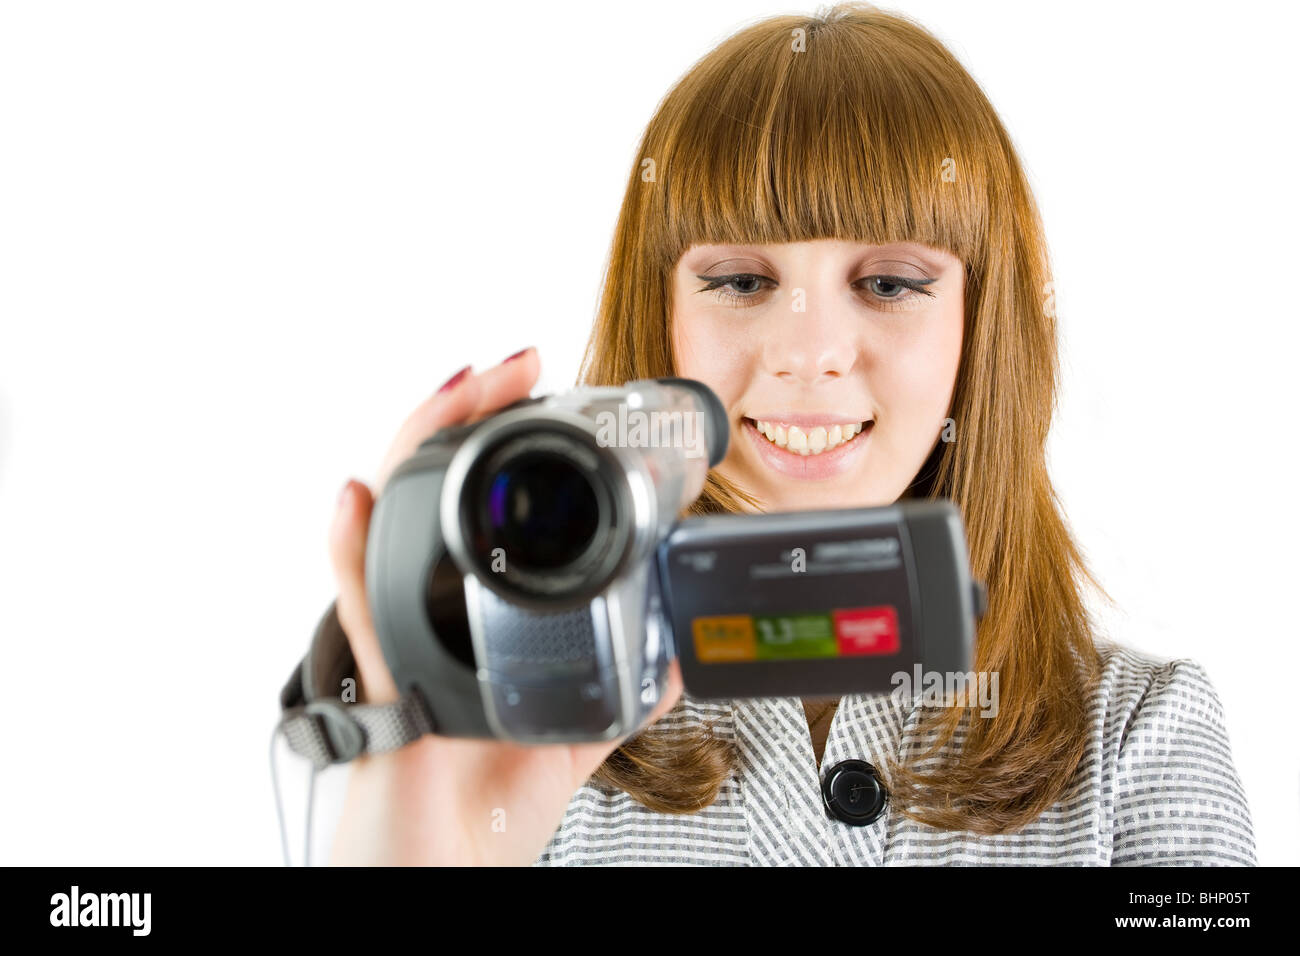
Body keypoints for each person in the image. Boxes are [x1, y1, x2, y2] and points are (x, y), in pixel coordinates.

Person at [319, 3, 1256, 865]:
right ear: (665, 321)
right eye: (740, 282)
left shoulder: (1142, 740)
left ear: (981, 326)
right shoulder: (517, 753)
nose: (809, 354)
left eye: (889, 284)